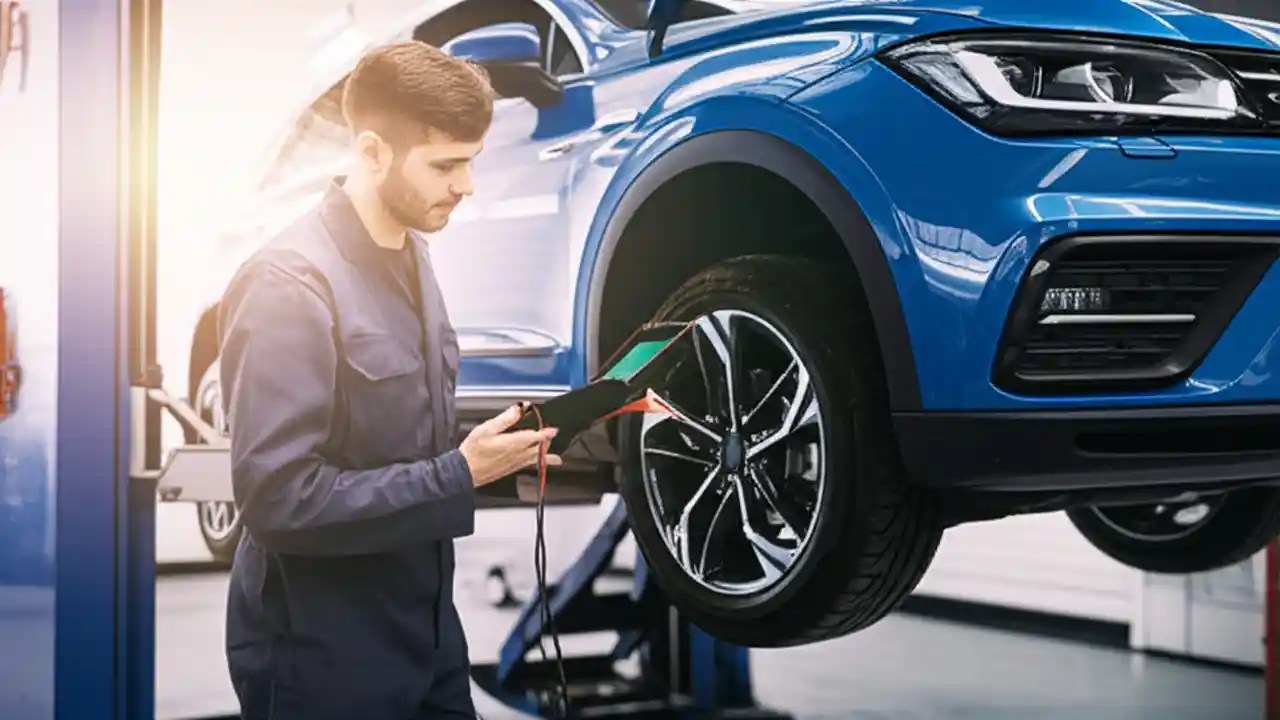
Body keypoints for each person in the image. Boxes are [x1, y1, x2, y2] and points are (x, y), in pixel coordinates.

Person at [217, 40, 560, 719]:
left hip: (427, 632)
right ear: (372, 152)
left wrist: (506, 445)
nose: (467, 185)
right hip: (320, 651)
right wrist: (459, 474)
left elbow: (401, 436)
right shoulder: (288, 284)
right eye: (447, 164)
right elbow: (278, 500)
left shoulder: (415, 257)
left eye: (471, 161)